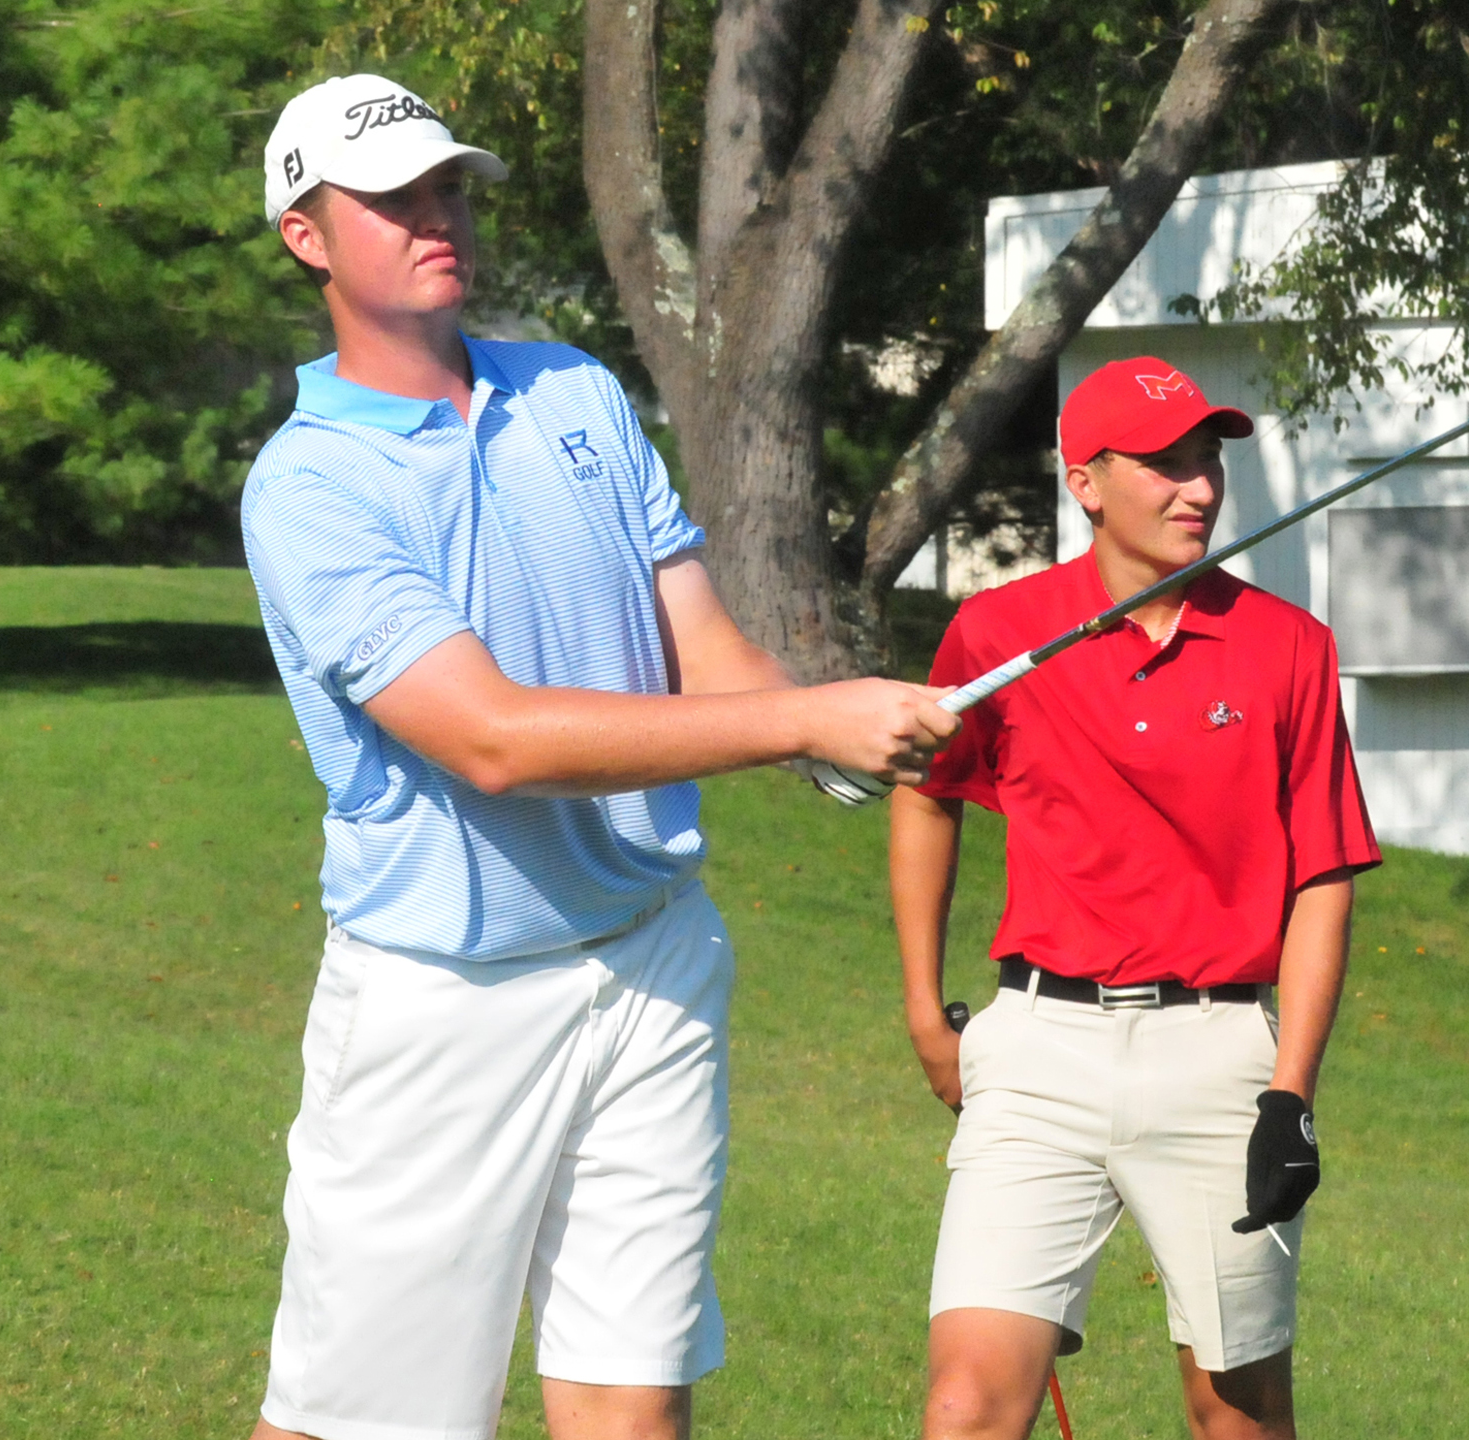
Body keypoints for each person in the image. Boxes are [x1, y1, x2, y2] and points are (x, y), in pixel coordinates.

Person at [241, 74, 958, 1440]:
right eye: (390, 199)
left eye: (446, 186)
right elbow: (493, 739)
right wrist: (805, 722)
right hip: (447, 996)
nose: (435, 216)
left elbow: (698, 641)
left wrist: (844, 746)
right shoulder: (312, 486)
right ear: (306, 236)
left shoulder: (572, 392)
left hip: (653, 957)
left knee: (633, 1414)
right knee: (362, 1425)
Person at [888, 357, 1382, 1440]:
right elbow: (929, 797)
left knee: (1234, 1415)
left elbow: (1323, 878)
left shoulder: (1289, 648)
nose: (1199, 487)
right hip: (1038, 1051)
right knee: (965, 1405)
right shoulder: (999, 633)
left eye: (1207, 459)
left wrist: (1290, 1091)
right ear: (1086, 482)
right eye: (1165, 463)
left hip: (1220, 1063)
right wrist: (927, 1011)